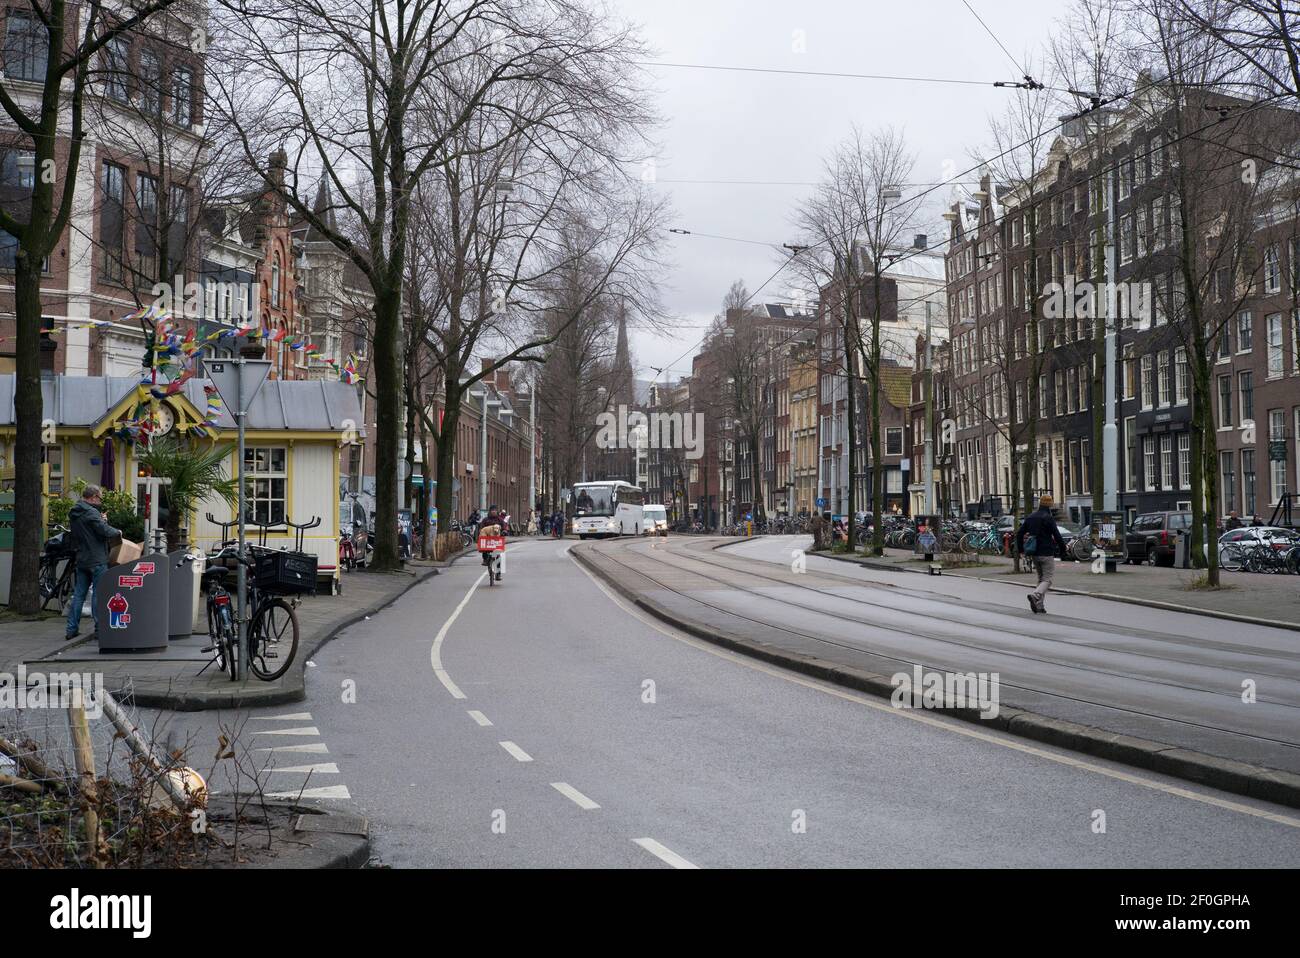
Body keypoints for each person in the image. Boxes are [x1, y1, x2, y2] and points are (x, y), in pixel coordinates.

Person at [66, 484, 121, 640]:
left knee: (78, 595)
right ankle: (99, 628)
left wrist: (101, 519)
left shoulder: (75, 511)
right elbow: (104, 532)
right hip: (96, 559)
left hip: (82, 559)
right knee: (99, 594)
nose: (100, 501)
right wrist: (118, 531)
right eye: (100, 498)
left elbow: (89, 529)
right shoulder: (91, 512)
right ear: (94, 497)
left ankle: (71, 629)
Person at [1017, 495, 1067, 615]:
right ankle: (1035, 595)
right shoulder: (1048, 518)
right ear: (1049, 504)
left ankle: (1039, 606)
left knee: (1041, 579)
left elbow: (1019, 533)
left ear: (1040, 504)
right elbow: (1057, 535)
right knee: (1048, 579)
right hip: (1046, 552)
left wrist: (1020, 550)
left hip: (1034, 553)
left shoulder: (1030, 517)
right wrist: (1063, 549)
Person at [476, 506, 505, 581]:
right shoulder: (485, 520)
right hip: (487, 540)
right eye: (492, 510)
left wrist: (505, 531)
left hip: (496, 541)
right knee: (484, 550)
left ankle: (498, 574)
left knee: (498, 557)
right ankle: (485, 560)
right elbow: (481, 528)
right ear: (490, 511)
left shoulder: (500, 519)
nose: (493, 512)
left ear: (497, 511)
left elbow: (504, 526)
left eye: (495, 510)